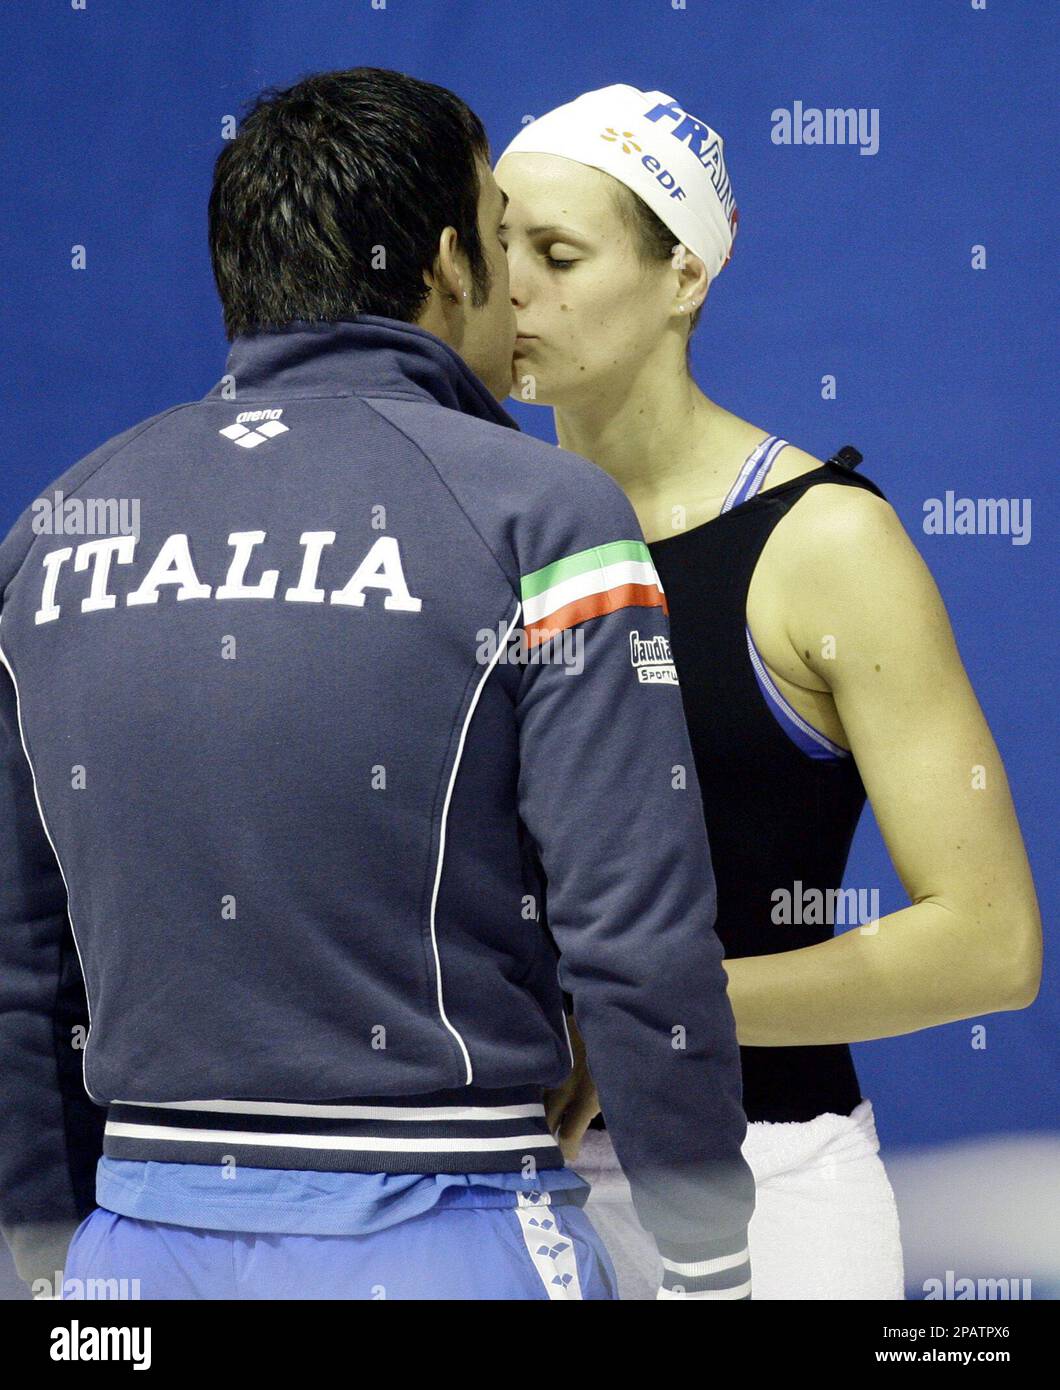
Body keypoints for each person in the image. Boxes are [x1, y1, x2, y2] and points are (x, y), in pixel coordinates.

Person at [0, 68, 755, 1302]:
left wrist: (42, 1276)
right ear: (451, 260)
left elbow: (18, 970)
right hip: (442, 1233)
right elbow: (635, 941)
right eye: (505, 239)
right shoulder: (544, 514)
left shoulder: (48, 536)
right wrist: (709, 1260)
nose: (516, 284)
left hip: (127, 1260)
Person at [495, 83, 1042, 1300]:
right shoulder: (477, 530)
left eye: (559, 252)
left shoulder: (823, 545)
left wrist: (651, 1015)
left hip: (773, 1178)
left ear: (684, 276)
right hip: (509, 1190)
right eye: (494, 248)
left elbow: (989, 942)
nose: (512, 287)